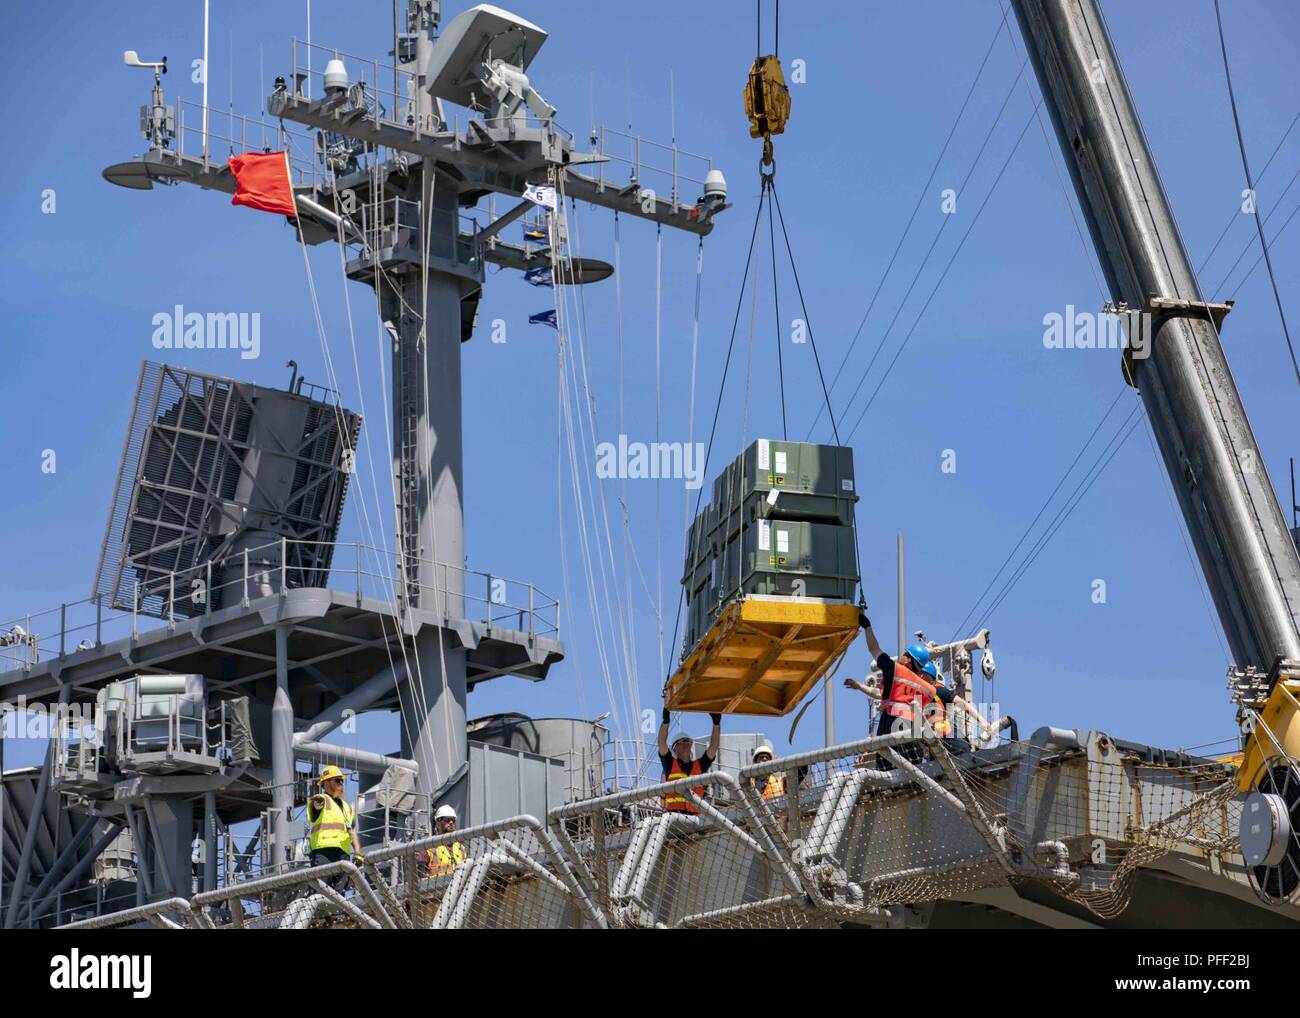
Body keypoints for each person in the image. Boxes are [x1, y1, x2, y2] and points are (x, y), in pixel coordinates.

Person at [844, 612, 988, 764]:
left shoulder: (895, 670)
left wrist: (866, 626)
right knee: (913, 775)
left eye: (905, 654)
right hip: (913, 741)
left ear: (908, 659)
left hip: (890, 732)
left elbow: (874, 648)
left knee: (888, 771)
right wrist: (860, 686)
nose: (902, 655)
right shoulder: (927, 688)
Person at [657, 699, 721, 814]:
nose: (687, 743)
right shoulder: (670, 764)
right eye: (683, 741)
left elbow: (713, 748)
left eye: (688, 741)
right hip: (674, 816)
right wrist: (665, 721)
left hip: (694, 818)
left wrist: (716, 724)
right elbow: (662, 743)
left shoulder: (699, 765)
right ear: (675, 748)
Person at [307, 765, 363, 886]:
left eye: (342, 780)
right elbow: (314, 808)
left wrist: (358, 852)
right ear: (326, 783)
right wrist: (317, 803)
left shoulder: (346, 806)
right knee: (323, 889)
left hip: (343, 854)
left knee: (339, 894)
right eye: (337, 780)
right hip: (323, 852)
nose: (341, 783)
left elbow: (351, 830)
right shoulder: (322, 799)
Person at [425, 804, 467, 878]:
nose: (451, 822)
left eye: (453, 820)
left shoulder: (461, 848)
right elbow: (419, 871)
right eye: (447, 819)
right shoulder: (429, 846)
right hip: (435, 887)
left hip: (458, 886)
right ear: (438, 822)